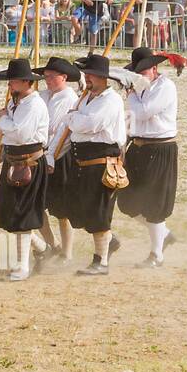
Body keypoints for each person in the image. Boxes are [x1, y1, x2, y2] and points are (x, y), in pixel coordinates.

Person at [57, 54, 127, 275]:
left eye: (92, 75)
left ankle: (101, 261)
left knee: (98, 211)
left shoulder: (111, 100)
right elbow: (78, 123)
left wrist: (73, 119)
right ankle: (109, 241)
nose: (87, 78)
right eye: (87, 74)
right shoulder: (86, 98)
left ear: (102, 78)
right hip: (83, 161)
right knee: (81, 209)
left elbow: (91, 124)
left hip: (101, 161)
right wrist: (76, 118)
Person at [0, 58, 50, 281]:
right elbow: (5, 135)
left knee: (23, 213)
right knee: (10, 213)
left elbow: (20, 133)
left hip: (29, 161)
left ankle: (22, 265)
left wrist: (4, 119)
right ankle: (42, 248)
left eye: (13, 80)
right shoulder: (15, 103)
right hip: (13, 158)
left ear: (25, 81)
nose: (9, 84)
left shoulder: (34, 104)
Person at [119, 47, 180, 268]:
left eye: (142, 73)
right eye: (136, 73)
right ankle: (163, 234)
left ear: (154, 69)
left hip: (160, 147)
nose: (138, 77)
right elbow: (131, 118)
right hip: (138, 145)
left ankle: (156, 255)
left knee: (154, 203)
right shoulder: (139, 89)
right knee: (127, 201)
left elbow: (143, 112)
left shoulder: (166, 87)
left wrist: (131, 94)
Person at [37, 56, 80, 262]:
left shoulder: (71, 99)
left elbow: (63, 131)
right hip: (38, 154)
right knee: (36, 205)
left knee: (62, 208)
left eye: (52, 77)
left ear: (64, 77)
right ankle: (52, 244)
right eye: (45, 76)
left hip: (60, 156)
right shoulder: (41, 96)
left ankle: (67, 252)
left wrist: (52, 156)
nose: (47, 80)